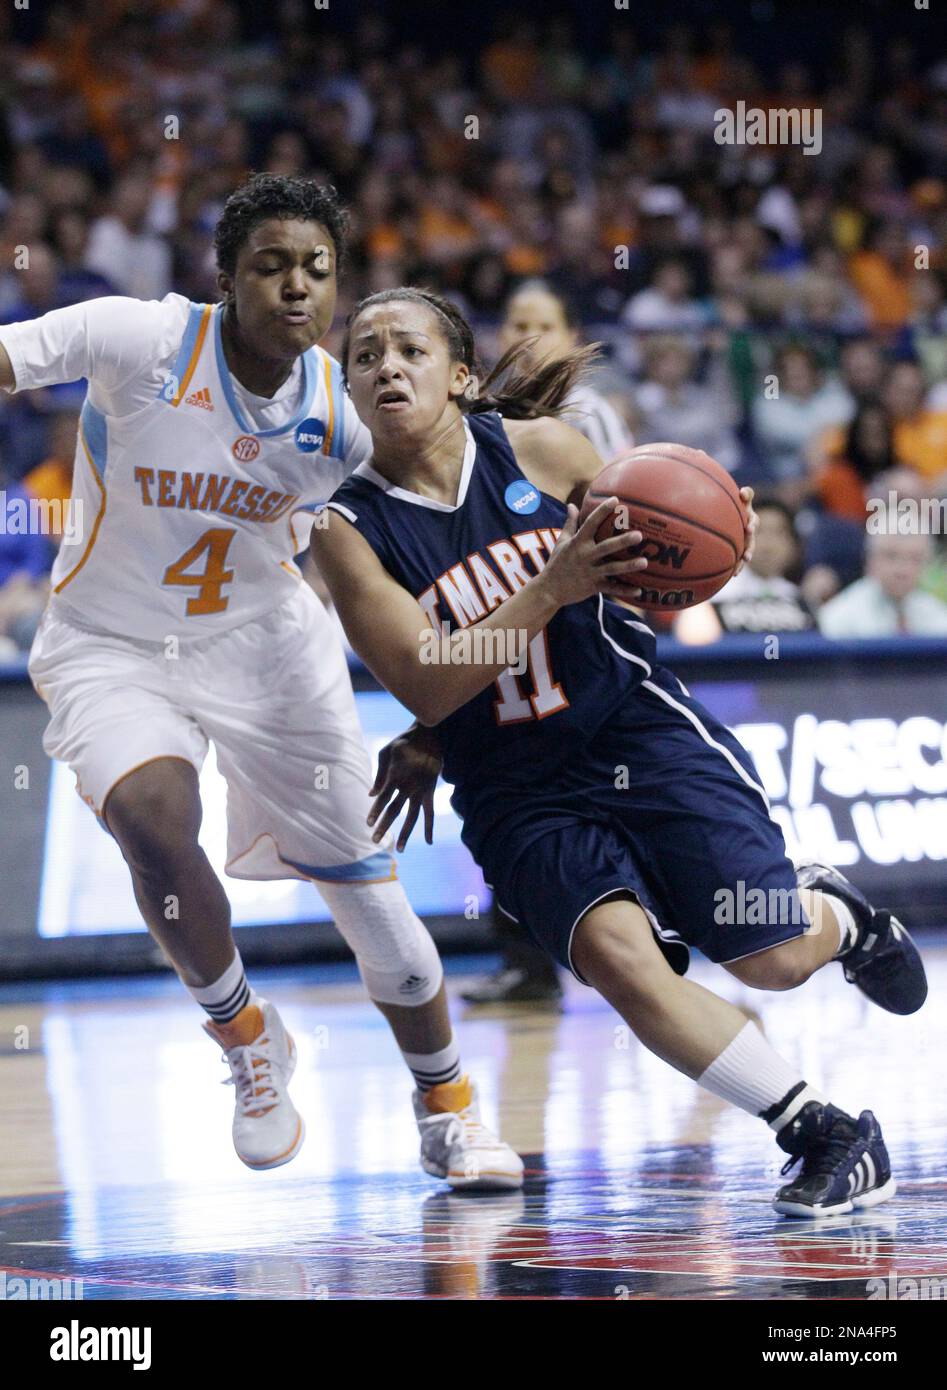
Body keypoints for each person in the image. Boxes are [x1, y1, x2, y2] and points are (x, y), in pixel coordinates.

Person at [312, 285, 928, 1217]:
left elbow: (659, 553)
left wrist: (717, 530)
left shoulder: (543, 450)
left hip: (633, 728)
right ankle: (824, 1133)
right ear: (349, 390)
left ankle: (841, 921)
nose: (386, 367)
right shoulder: (346, 528)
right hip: (516, 788)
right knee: (619, 961)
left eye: (409, 350)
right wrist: (511, 633)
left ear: (461, 375)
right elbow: (428, 681)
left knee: (769, 960)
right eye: (365, 356)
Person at [0, 175, 522, 1190]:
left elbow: (442, 538)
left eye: (316, 270)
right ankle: (247, 1039)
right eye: (270, 266)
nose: (295, 287)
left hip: (271, 651)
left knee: (370, 898)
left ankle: (448, 1106)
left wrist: (430, 724)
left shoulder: (345, 415)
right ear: (226, 280)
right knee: (152, 817)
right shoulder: (142, 338)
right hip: (111, 642)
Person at [463, 279, 634, 1004]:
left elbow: (630, 516)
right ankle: (529, 964)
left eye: (543, 323)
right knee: (508, 788)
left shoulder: (588, 415)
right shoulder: (478, 419)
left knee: (598, 792)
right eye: (514, 322)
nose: (525, 336)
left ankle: (654, 947)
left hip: (580, 632)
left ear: (572, 338)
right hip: (506, 628)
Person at [818, 531, 947, 638]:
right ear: (870, 560)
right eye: (891, 556)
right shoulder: (838, 617)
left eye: (915, 559)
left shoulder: (938, 614)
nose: (903, 570)